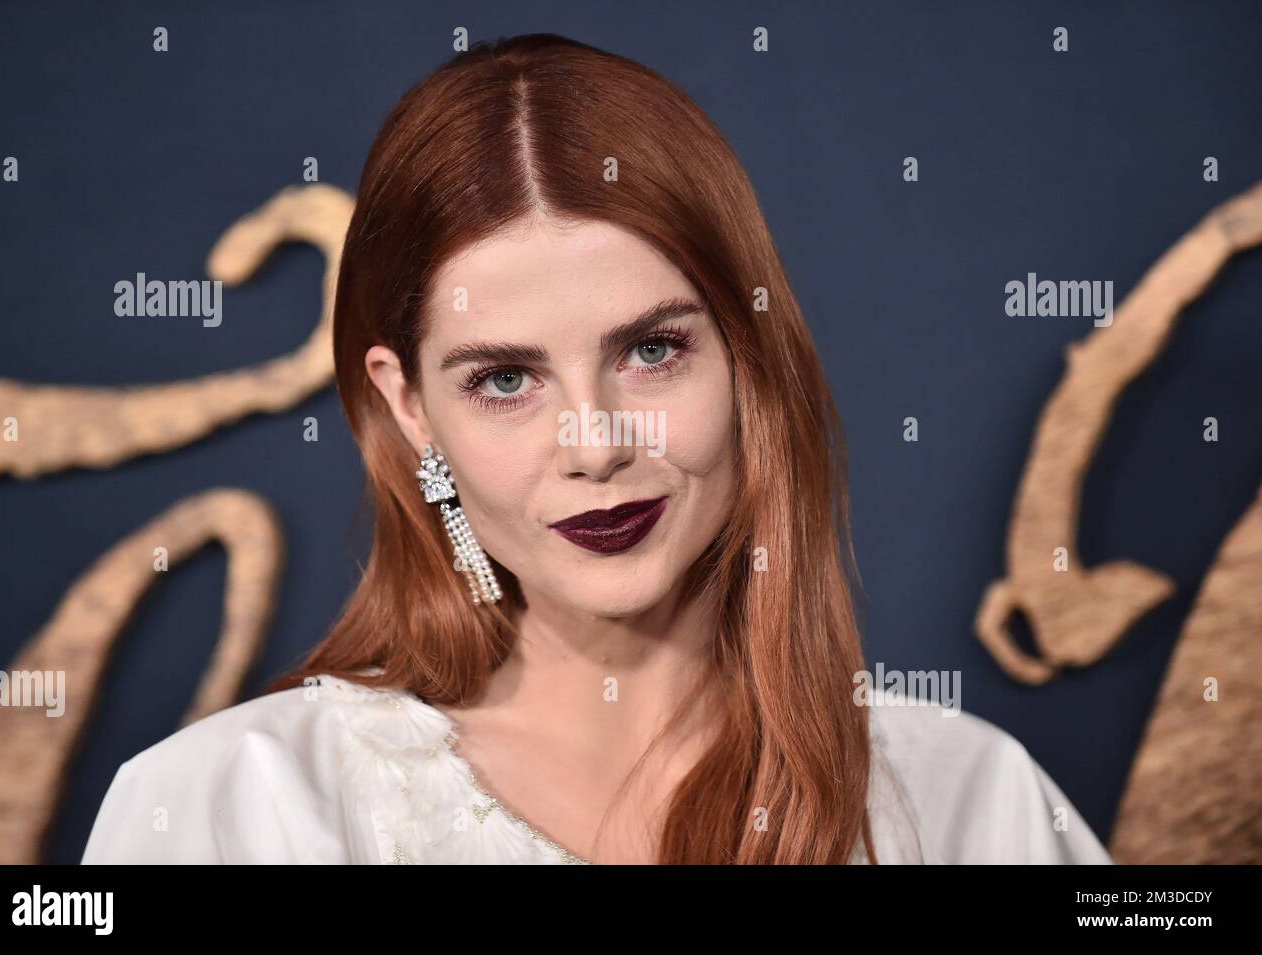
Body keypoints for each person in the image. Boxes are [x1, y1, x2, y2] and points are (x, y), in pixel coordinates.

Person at [82, 33, 1111, 865]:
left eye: (653, 351)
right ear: (410, 410)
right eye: (504, 380)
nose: (595, 445)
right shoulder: (235, 808)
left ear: (749, 353)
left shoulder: (964, 799)